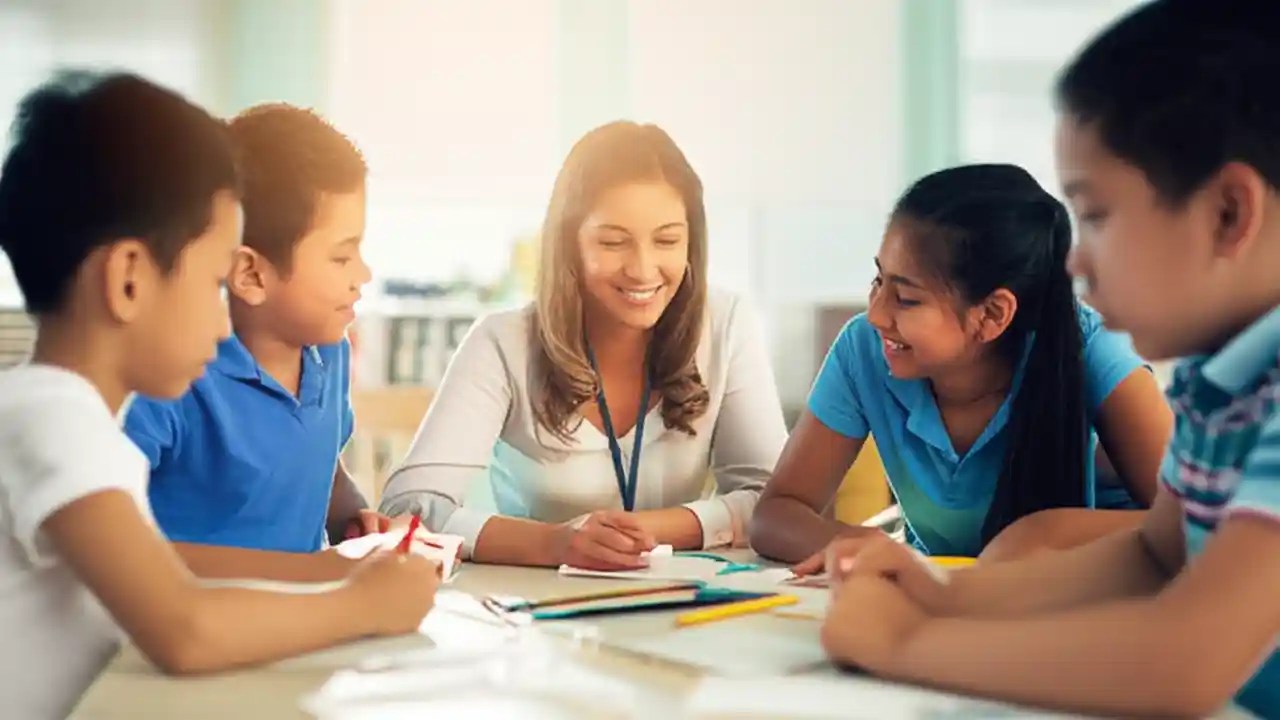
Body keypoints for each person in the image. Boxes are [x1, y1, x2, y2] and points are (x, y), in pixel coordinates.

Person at [819, 1, 1280, 716]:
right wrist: (937, 589)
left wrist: (905, 644)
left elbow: (1184, 662)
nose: (1074, 263)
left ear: (1226, 214)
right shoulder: (1217, 383)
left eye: (1095, 215)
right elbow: (1153, 556)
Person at [0, 72, 436, 719]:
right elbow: (185, 628)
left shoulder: (75, 419)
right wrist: (360, 598)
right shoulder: (50, 417)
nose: (220, 318)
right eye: (211, 284)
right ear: (127, 281)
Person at [380, 121, 788, 569]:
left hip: (680, 601)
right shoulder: (502, 343)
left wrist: (644, 531)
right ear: (569, 242)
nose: (643, 268)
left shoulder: (727, 324)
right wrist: (555, 543)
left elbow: (777, 504)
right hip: (536, 613)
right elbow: (406, 510)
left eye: (668, 240)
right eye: (614, 242)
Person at [752, 163, 1172, 567]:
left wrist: (1046, 535)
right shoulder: (864, 349)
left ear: (991, 314)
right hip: (947, 597)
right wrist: (857, 544)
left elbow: (1203, 526)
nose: (877, 315)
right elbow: (776, 513)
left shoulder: (1092, 348)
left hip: (1075, 597)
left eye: (907, 298)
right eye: (879, 280)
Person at [125, 103, 393, 572]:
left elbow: (317, 465)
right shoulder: (167, 377)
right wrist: (308, 573)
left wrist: (353, 518)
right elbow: (116, 549)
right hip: (187, 628)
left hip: (300, 625)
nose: (363, 274)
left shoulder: (330, 351)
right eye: (341, 257)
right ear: (250, 274)